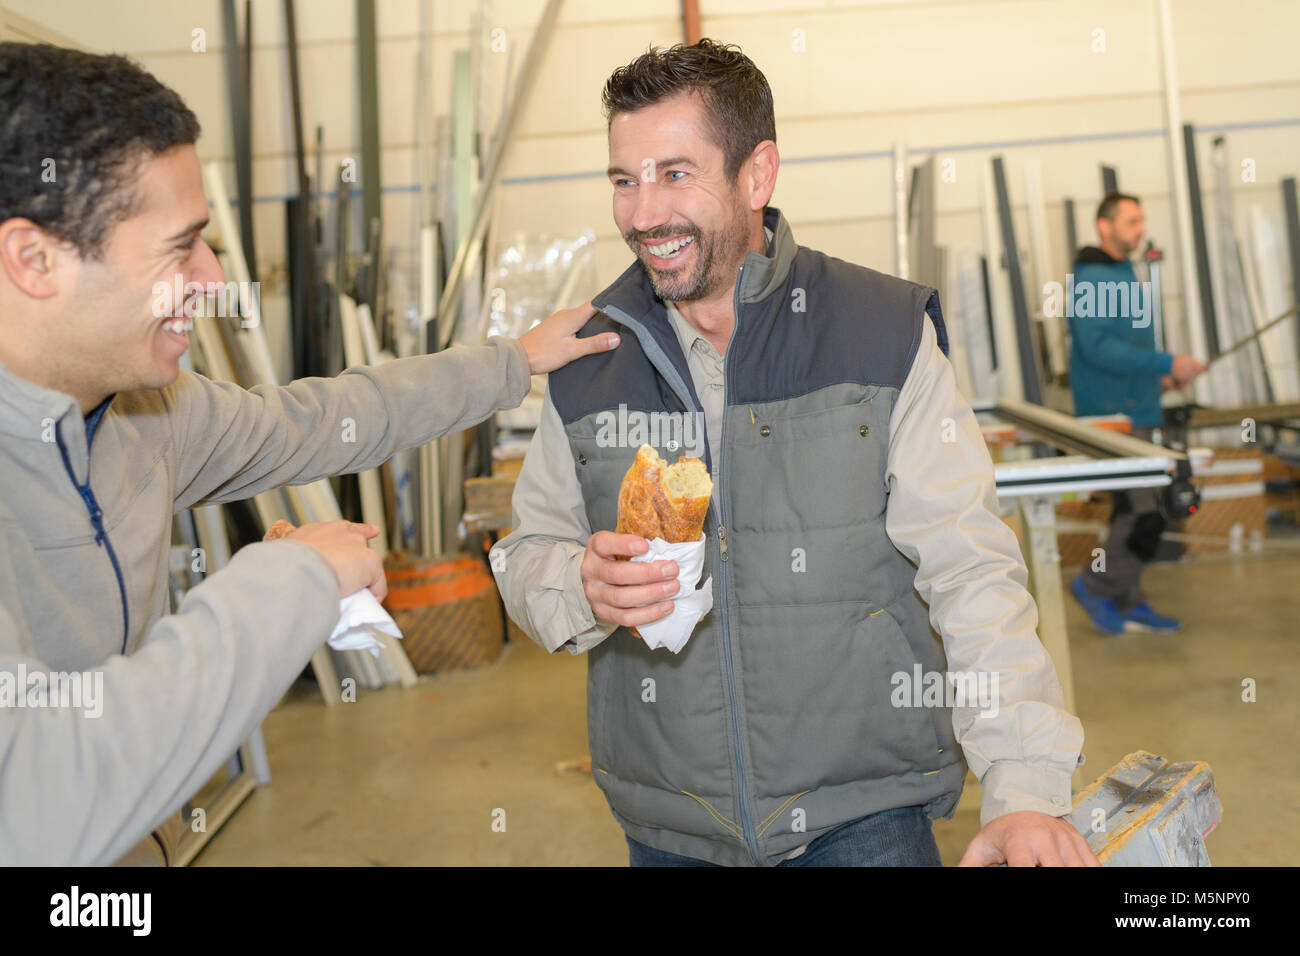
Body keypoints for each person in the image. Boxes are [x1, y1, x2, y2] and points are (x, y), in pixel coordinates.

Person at [0, 42, 616, 866]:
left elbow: (325, 419)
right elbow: (37, 798)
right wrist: (289, 585)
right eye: (179, 248)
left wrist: (512, 362)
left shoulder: (145, 413)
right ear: (33, 260)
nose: (215, 280)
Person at [492, 40, 1096, 867]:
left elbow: (971, 570)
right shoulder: (589, 355)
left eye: (675, 174)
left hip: (864, 820)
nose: (640, 215)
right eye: (624, 181)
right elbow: (528, 554)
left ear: (757, 174)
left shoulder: (882, 333)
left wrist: (1024, 787)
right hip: (671, 829)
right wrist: (580, 586)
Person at [1067, 192, 1206, 634]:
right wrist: (1167, 363)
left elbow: (1129, 348)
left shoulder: (1125, 273)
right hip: (1114, 419)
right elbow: (1098, 348)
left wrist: (1160, 378)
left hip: (1139, 407)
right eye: (1130, 221)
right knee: (1141, 512)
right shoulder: (1092, 280)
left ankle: (1129, 600)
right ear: (1104, 227)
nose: (1140, 228)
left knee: (1135, 510)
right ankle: (1094, 586)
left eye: (1141, 220)